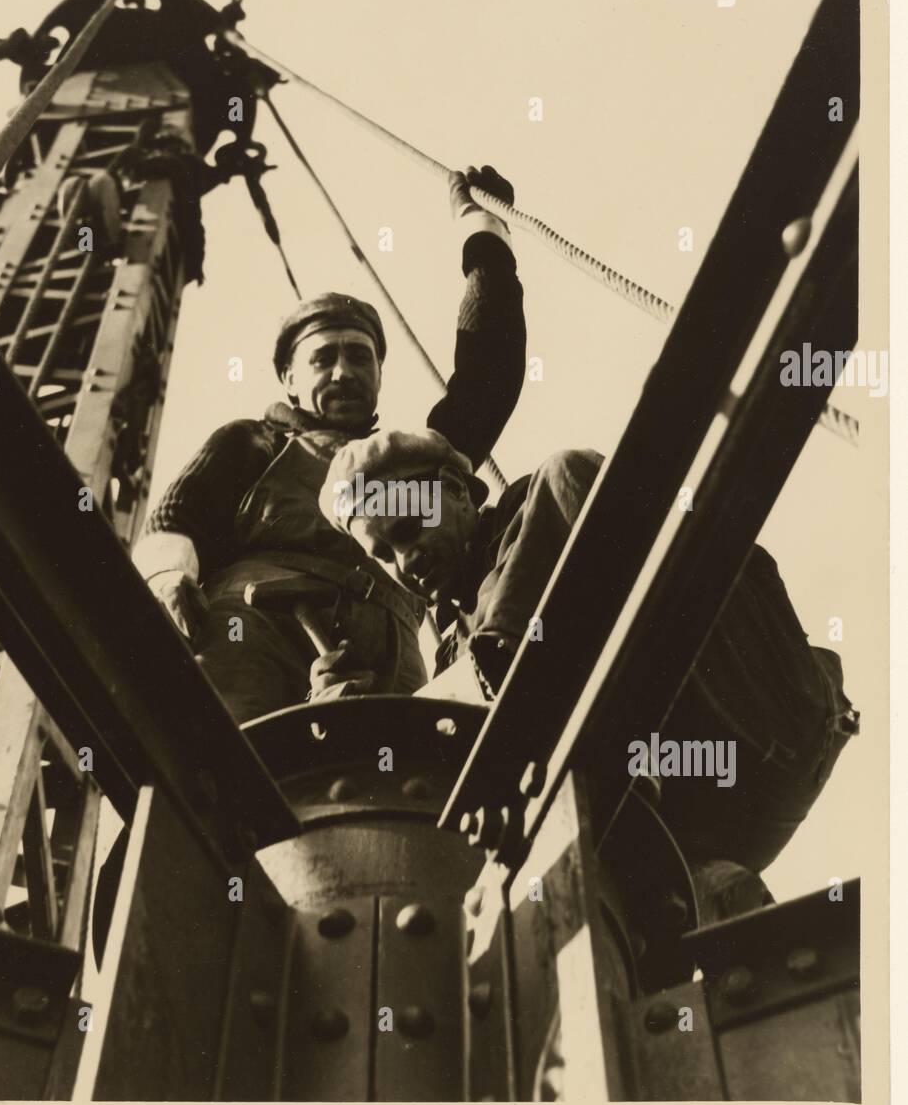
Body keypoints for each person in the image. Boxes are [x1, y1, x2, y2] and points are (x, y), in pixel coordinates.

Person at [312, 429, 860, 919]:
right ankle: (695, 886)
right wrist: (352, 720)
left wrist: (385, 722)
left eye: (408, 528)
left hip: (760, 704)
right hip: (715, 812)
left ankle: (530, 695)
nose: (403, 561)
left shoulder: (542, 511)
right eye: (383, 554)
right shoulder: (454, 648)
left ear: (457, 491)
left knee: (570, 476)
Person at [132, 167, 526, 723]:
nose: (343, 372)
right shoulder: (254, 442)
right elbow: (178, 514)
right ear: (290, 379)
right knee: (231, 770)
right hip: (257, 628)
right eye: (322, 358)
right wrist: (169, 576)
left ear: (380, 375)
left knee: (402, 791)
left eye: (359, 356)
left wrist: (483, 232)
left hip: (391, 650)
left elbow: (489, 373)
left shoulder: (412, 461)